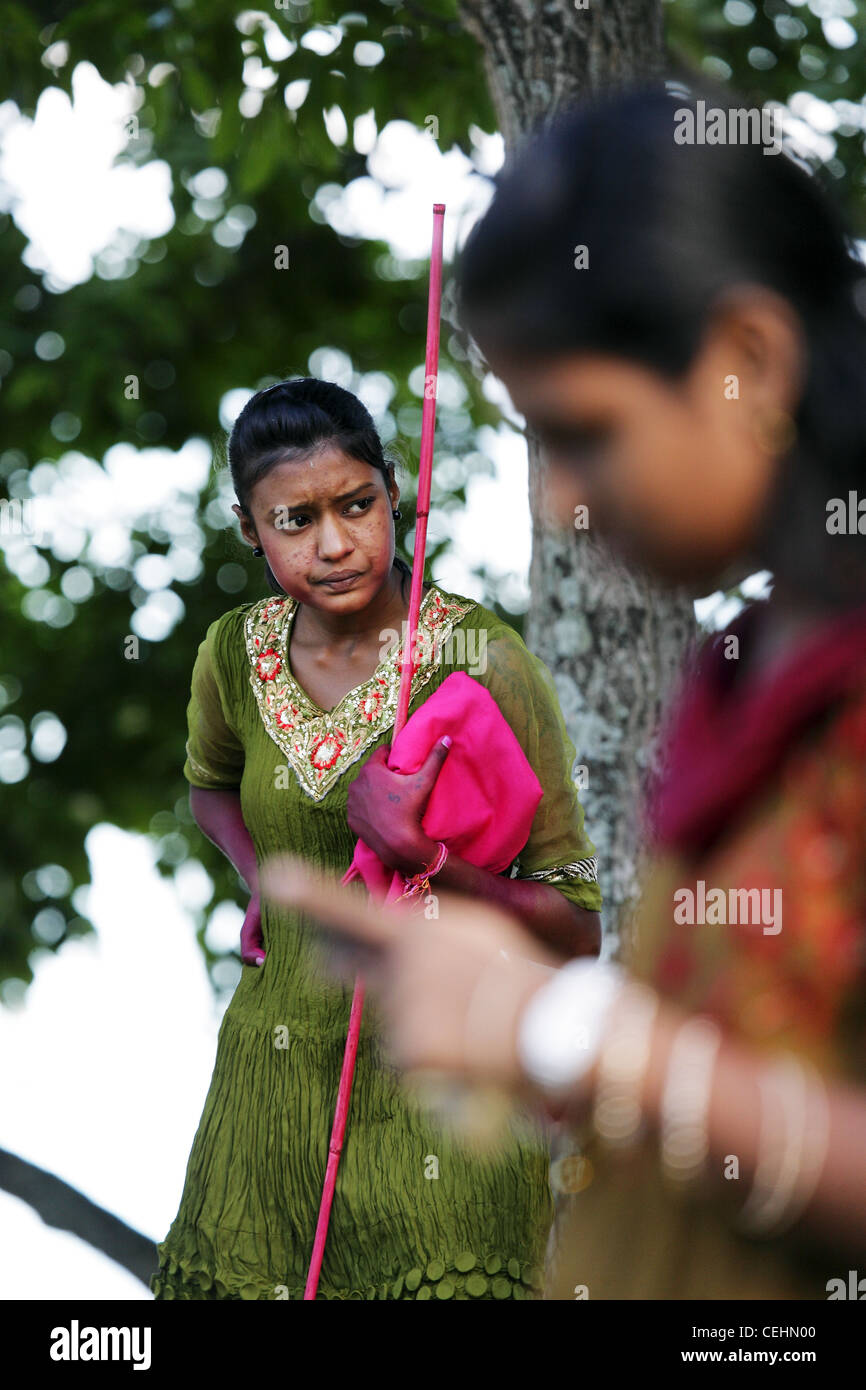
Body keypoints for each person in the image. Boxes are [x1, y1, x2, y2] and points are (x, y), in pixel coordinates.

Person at [259, 83, 866, 1299]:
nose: (557, 500)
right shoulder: (747, 677)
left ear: (746, 360)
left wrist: (562, 1030)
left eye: (581, 431)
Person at [150, 376, 602, 1300]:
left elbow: (577, 926)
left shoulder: (485, 661)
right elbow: (210, 788)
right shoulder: (233, 656)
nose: (334, 544)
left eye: (357, 505)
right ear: (250, 529)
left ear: (395, 492)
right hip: (267, 1098)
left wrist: (428, 859)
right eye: (294, 521)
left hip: (446, 1104)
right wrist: (264, 878)